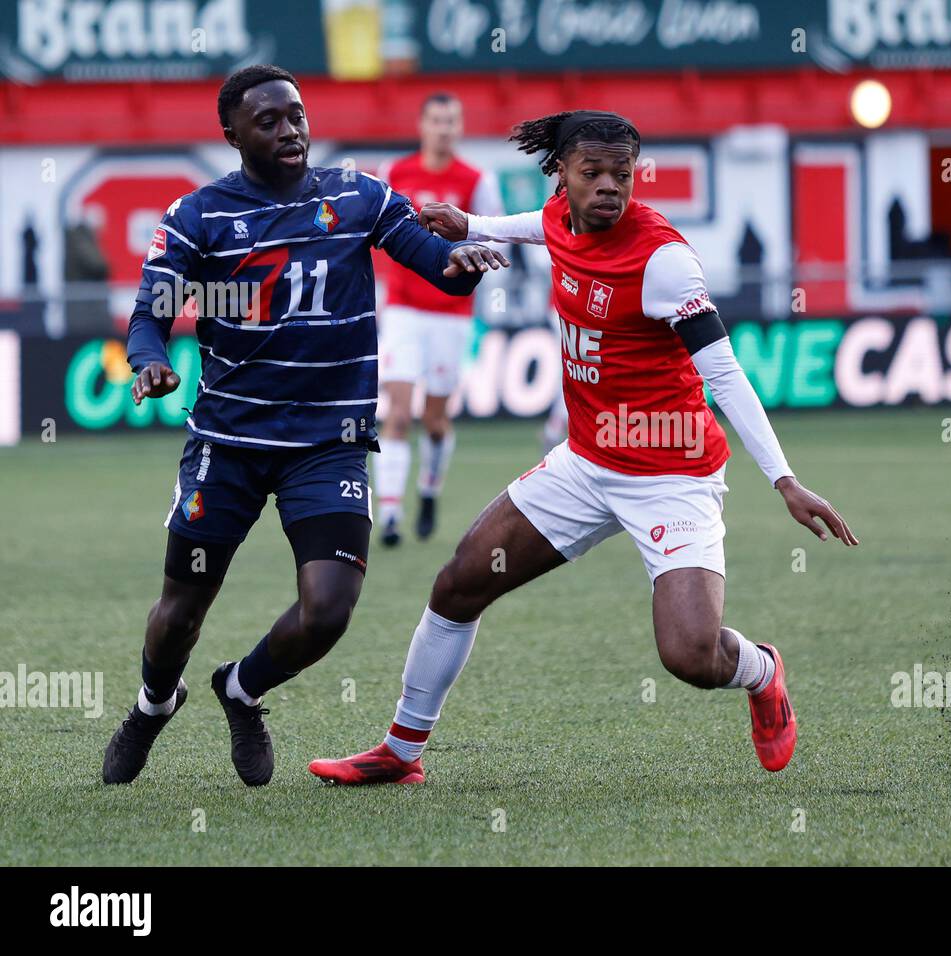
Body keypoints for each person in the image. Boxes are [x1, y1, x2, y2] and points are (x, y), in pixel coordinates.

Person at [309, 110, 857, 785]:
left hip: (672, 473)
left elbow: (724, 373)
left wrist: (784, 479)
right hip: (586, 463)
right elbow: (532, 226)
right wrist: (469, 225)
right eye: (592, 173)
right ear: (560, 175)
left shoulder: (664, 261)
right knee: (459, 584)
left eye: (621, 174)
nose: (608, 187)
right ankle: (401, 750)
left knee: (690, 656)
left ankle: (762, 670)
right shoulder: (558, 218)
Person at [101, 64, 506, 786]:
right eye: (269, 121)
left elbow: (436, 264)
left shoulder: (357, 196)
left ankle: (240, 689)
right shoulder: (198, 216)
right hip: (228, 445)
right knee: (180, 613)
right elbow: (149, 313)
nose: (290, 130)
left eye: (297, 115)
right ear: (232, 135)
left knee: (327, 610)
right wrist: (150, 361)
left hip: (328, 444)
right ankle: (153, 704)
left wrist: (463, 261)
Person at [373, 92, 506, 546]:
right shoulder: (396, 172)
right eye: (436, 120)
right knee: (396, 413)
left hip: (451, 314)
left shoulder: (477, 180)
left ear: (459, 127)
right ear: (422, 125)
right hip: (404, 308)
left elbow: (494, 233)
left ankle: (428, 490)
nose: (443, 128)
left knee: (434, 419)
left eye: (451, 121)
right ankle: (390, 514)